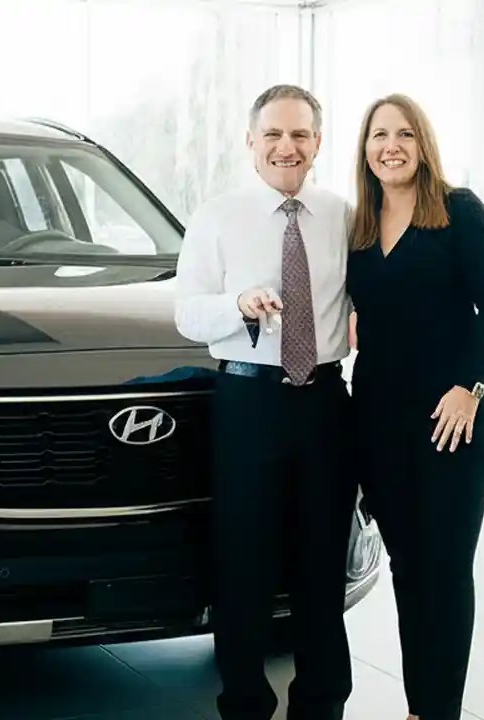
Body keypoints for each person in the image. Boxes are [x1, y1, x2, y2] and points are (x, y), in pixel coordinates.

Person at [174, 84, 358, 720]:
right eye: (274, 135)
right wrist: (237, 304)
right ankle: (245, 701)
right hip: (246, 401)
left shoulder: (342, 215)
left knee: (322, 560)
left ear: (318, 144)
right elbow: (187, 313)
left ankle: (322, 701)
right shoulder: (217, 217)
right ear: (251, 143)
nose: (288, 146)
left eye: (301, 135)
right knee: (245, 560)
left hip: (327, 404)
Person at [345, 93, 484, 720]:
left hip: (454, 420)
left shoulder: (461, 212)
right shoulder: (358, 226)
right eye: (380, 134)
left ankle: (441, 710)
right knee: (409, 571)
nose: (392, 146)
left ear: (424, 144)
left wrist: (473, 387)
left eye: (405, 134)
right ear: (364, 149)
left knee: (443, 569)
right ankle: (421, 708)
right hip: (380, 422)